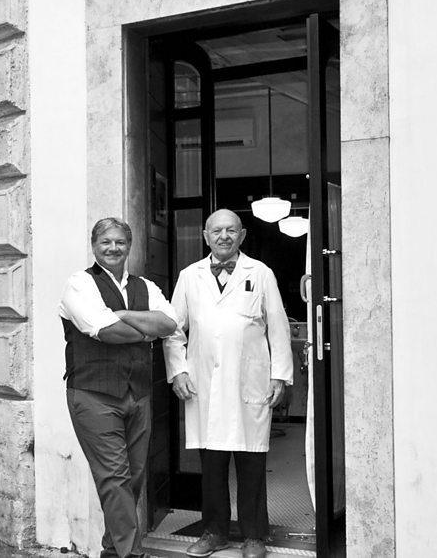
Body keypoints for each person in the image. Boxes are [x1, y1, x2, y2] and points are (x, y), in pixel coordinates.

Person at [164, 209, 294, 558]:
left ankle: (254, 536)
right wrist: (178, 371)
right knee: (212, 463)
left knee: (251, 459)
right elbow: (173, 329)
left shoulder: (261, 273)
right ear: (205, 236)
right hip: (203, 381)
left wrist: (280, 374)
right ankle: (214, 531)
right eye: (216, 230)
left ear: (242, 235)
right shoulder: (189, 276)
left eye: (231, 230)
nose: (224, 236)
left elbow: (278, 326)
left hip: (249, 378)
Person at [59, 217, 179, 558]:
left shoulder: (146, 286)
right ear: (94, 245)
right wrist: (144, 328)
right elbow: (103, 330)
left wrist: (121, 314)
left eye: (120, 242)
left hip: (138, 393)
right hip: (93, 394)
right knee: (113, 476)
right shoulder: (79, 284)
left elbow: (169, 323)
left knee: (135, 476)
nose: (113, 248)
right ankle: (131, 554)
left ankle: (113, 550)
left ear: (130, 246)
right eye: (105, 242)